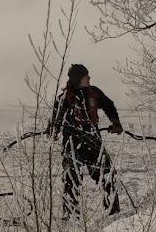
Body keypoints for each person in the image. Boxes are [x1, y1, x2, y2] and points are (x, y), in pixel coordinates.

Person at [47, 64, 123, 216]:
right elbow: (56, 118)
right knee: (71, 182)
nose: (89, 78)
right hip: (73, 146)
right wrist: (53, 131)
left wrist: (115, 122)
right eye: (86, 76)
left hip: (94, 143)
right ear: (77, 79)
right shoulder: (64, 99)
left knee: (106, 177)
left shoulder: (94, 92)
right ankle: (71, 219)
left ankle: (114, 214)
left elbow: (109, 106)